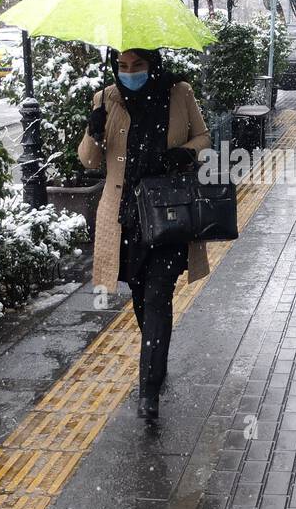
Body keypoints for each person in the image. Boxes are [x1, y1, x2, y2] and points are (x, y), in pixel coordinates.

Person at [78, 48, 211, 420]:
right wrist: (93, 130)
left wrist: (182, 155)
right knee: (140, 296)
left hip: (168, 215)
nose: (129, 73)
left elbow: (203, 137)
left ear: (153, 64)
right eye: (122, 66)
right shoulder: (105, 99)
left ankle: (148, 390)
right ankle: (157, 353)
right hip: (125, 219)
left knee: (157, 296)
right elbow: (89, 161)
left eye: (137, 65)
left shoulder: (179, 92)